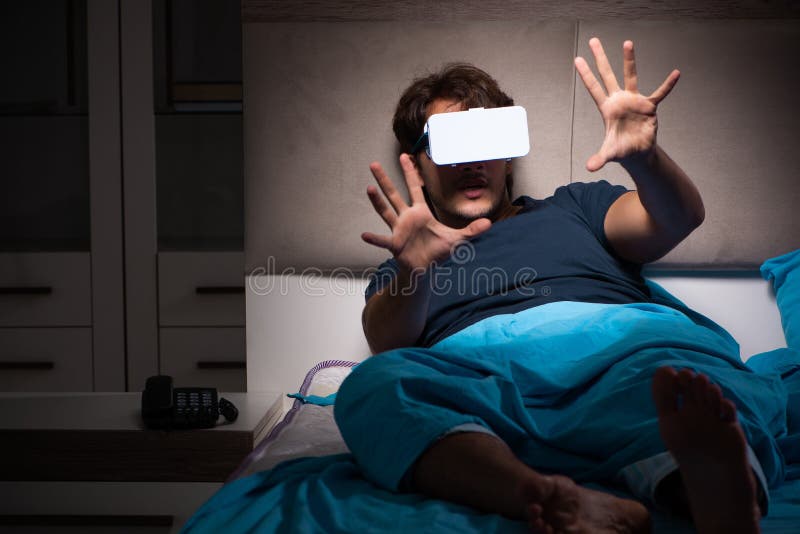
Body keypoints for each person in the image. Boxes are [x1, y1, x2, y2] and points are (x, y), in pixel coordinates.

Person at [340, 38, 767, 533]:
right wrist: (415, 269)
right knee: (372, 387)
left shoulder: (576, 207)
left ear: (509, 156)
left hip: (615, 357)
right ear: (419, 164)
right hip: (483, 384)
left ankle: (708, 492)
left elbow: (677, 219)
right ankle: (542, 495)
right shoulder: (406, 260)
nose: (471, 163)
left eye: (487, 141)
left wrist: (644, 158)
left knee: (675, 383)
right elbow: (386, 344)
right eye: (449, 145)